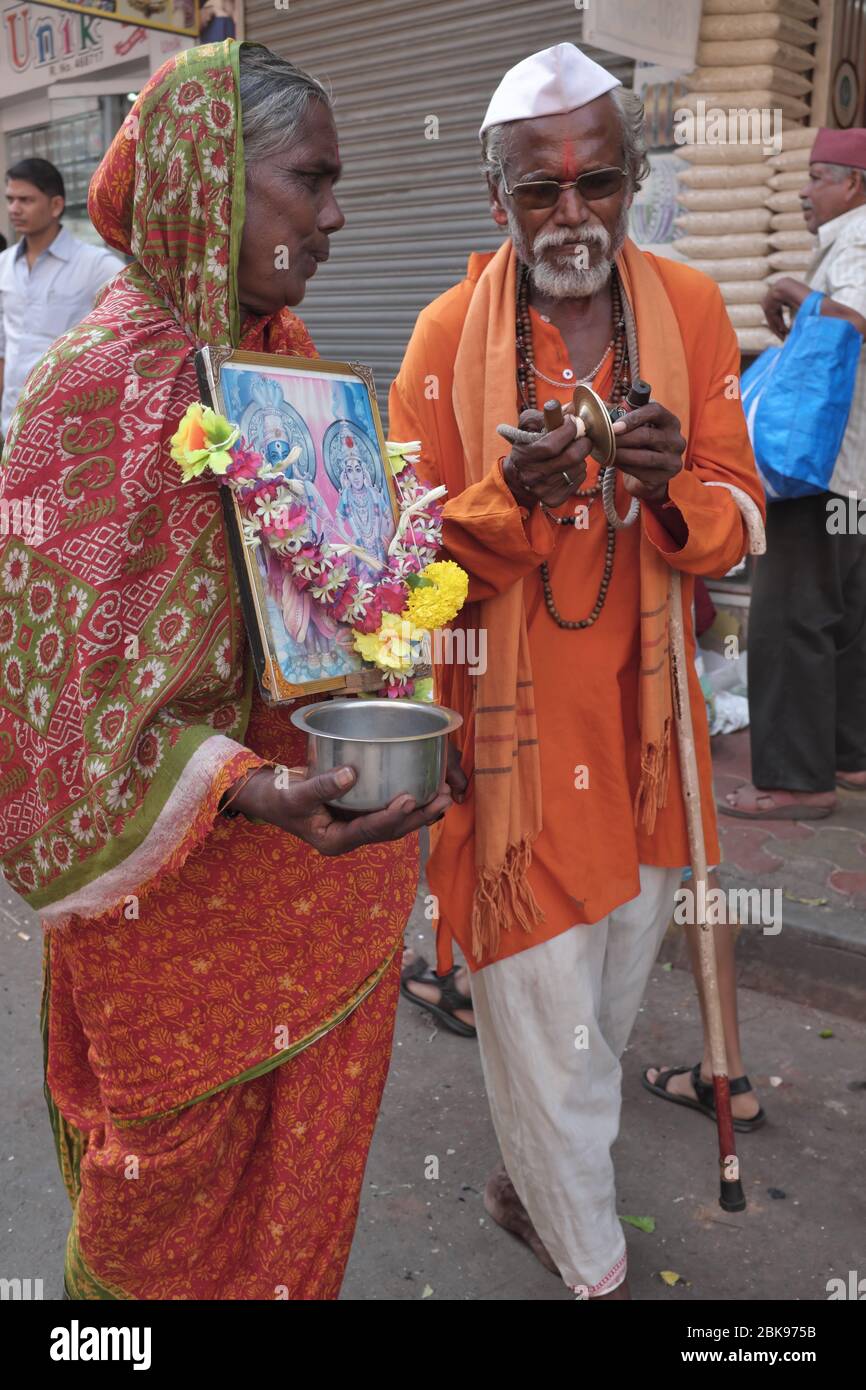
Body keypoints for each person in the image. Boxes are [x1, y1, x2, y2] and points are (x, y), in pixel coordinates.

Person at [0, 40, 451, 1301]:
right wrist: (243, 790)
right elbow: (47, 723)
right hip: (178, 902)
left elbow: (340, 592)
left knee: (295, 1198)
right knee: (161, 1203)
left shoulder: (287, 355)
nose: (337, 211)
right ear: (212, 178)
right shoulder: (91, 394)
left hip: (326, 891)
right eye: (310, 179)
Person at [389, 43, 765, 1300]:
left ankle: (527, 1187)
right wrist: (505, 502)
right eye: (537, 193)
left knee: (596, 1018)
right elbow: (402, 584)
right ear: (492, 199)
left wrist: (674, 490)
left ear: (631, 179)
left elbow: (741, 512)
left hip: (651, 739)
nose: (569, 216)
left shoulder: (691, 310)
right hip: (515, 762)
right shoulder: (443, 338)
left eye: (594, 186)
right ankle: (596, 1268)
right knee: (554, 1043)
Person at [723, 127, 866, 821]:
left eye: (817, 177)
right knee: (845, 616)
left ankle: (794, 780)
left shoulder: (861, 239)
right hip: (854, 474)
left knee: (787, 618)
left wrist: (794, 293)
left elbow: (855, 318)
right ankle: (847, 755)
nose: (805, 193)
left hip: (820, 469)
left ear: (855, 185)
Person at [0, 158, 123, 439]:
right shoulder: (3, 266)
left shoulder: (96, 265)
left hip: (69, 424)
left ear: (55, 205)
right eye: (10, 200)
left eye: (25, 200)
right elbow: (4, 347)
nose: (14, 209)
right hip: (11, 422)